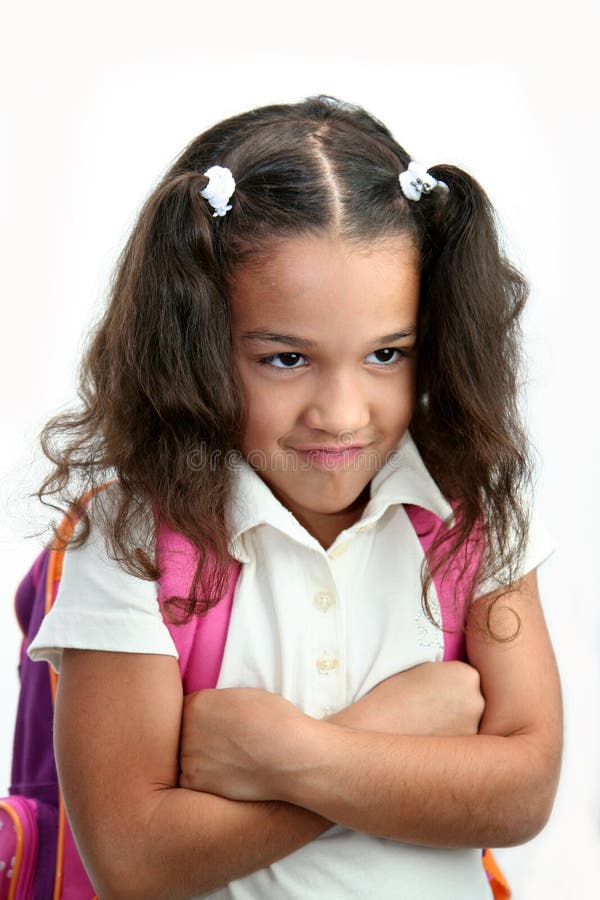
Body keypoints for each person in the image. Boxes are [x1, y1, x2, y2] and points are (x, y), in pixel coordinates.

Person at [28, 94, 562, 899]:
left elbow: (523, 793)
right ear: (194, 344)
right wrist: (398, 738)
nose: (343, 414)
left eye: (387, 352)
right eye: (286, 359)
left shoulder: (470, 518)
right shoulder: (131, 536)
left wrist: (288, 755)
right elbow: (135, 859)